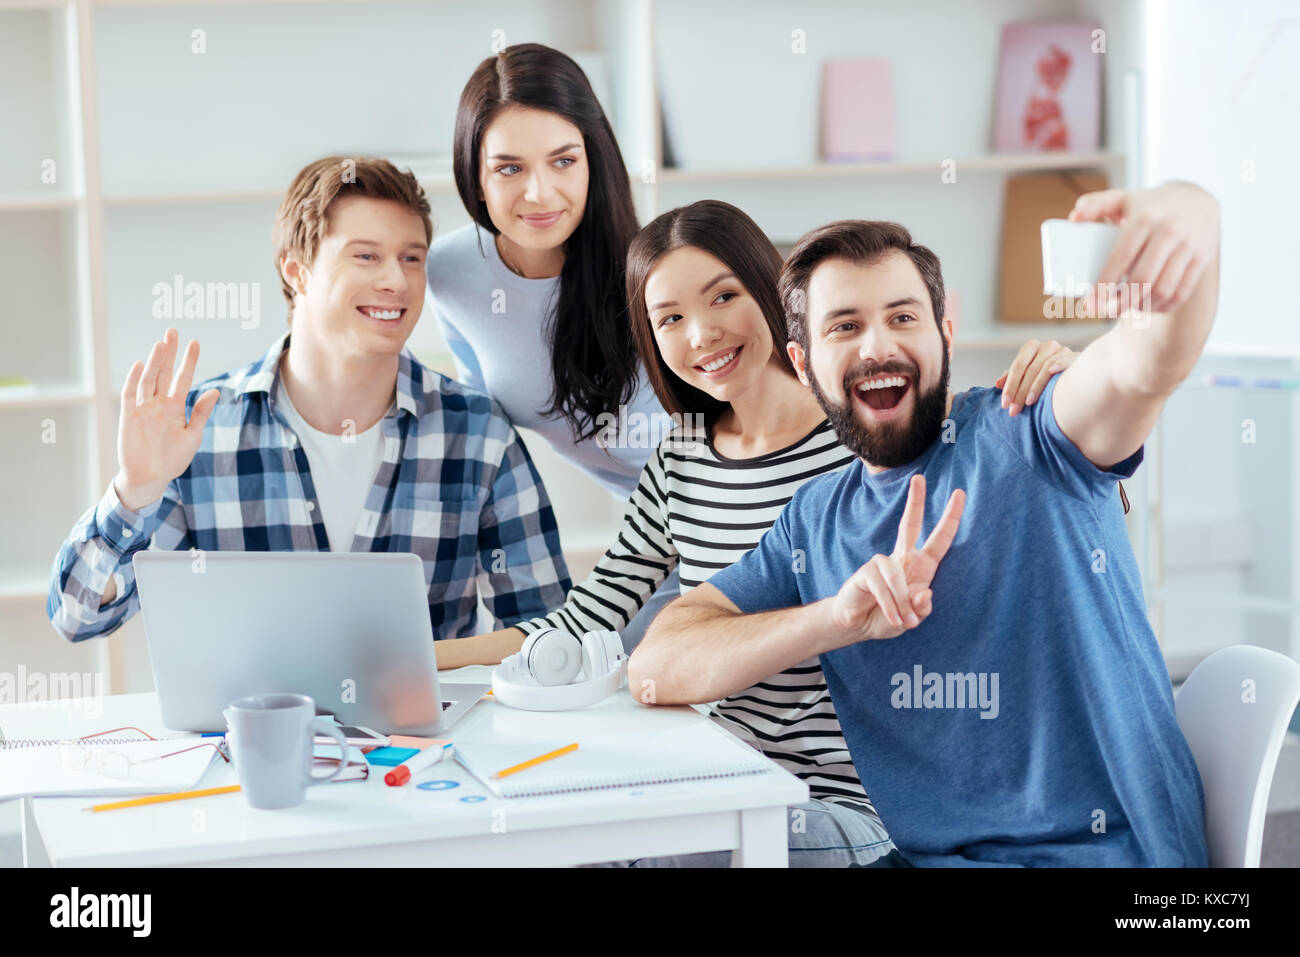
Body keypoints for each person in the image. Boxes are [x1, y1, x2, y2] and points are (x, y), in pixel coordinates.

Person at [445, 199, 1076, 866]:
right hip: (717, 777)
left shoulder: (869, 428)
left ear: (774, 294)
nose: (703, 334)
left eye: (725, 296)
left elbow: (1032, 481)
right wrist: (412, 663)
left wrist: (1062, 386)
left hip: (857, 803)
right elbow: (582, 620)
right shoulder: (681, 458)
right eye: (671, 318)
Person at [630, 183, 1219, 867]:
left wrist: (1190, 218)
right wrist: (838, 618)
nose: (878, 346)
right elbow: (655, 664)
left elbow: (1147, 364)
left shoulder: (1031, 430)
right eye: (844, 326)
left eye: (903, 317)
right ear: (802, 361)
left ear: (944, 333)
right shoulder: (815, 519)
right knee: (671, 840)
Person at [48, 156, 570, 643]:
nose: (397, 280)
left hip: (426, 740)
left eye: (411, 258)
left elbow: (548, 634)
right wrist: (134, 491)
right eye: (366, 256)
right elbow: (77, 615)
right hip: (253, 738)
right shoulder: (200, 431)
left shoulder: (477, 432)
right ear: (295, 270)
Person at [427, 43, 678, 654]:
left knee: (605, 669)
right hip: (645, 546)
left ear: (594, 159)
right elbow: (482, 429)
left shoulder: (657, 271)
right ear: (475, 176)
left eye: (563, 160)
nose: (539, 193)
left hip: (731, 526)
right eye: (509, 168)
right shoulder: (450, 274)